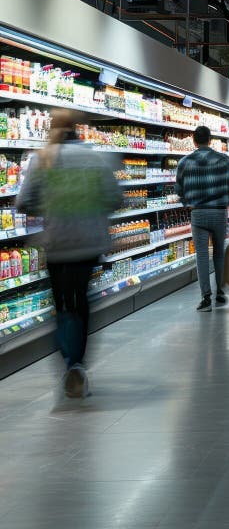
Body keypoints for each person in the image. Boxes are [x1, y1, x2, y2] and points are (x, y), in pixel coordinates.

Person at [16, 109, 123, 398]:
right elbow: (116, 198)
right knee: (81, 302)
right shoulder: (95, 157)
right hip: (89, 243)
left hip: (57, 244)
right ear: (78, 129)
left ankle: (67, 360)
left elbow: (24, 202)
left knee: (62, 303)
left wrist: (49, 208)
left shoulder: (42, 159)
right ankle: (78, 363)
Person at [176, 125, 229, 313]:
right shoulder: (224, 160)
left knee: (202, 255)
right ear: (210, 140)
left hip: (198, 213)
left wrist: (186, 202)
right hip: (219, 213)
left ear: (194, 141)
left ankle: (206, 298)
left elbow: (178, 190)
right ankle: (220, 291)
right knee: (219, 253)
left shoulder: (184, 162)